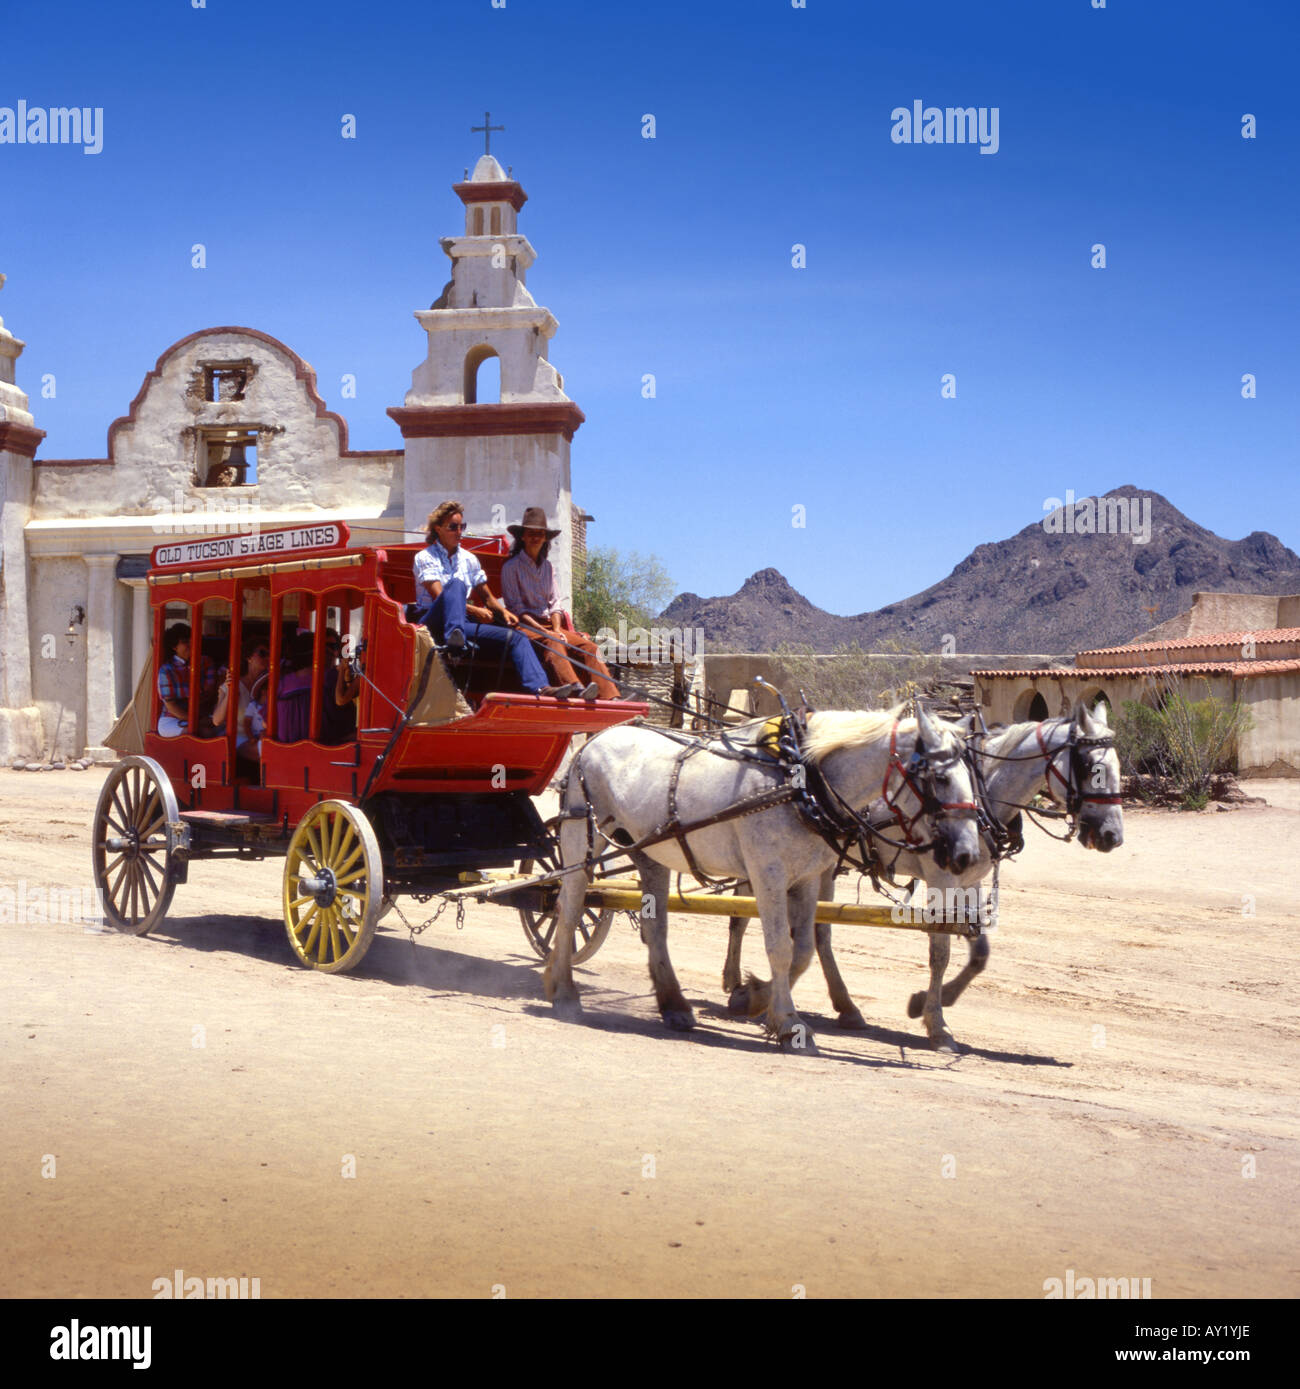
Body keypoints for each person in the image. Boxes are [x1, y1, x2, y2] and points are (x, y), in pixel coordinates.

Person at [412, 500, 580, 698]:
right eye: (453, 527)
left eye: (462, 526)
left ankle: (541, 688)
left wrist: (504, 612)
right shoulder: (425, 557)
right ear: (438, 529)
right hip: (433, 622)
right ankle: (454, 640)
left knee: (517, 638)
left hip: (461, 624)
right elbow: (441, 597)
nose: (459, 532)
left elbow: (488, 598)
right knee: (456, 585)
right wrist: (476, 611)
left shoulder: (468, 559)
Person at [500, 507, 619, 700]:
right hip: (524, 626)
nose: (535, 538)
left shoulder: (547, 567)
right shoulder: (510, 568)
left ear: (545, 538)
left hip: (550, 625)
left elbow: (555, 603)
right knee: (553, 642)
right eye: (531, 534)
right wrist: (546, 631)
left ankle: (610, 696)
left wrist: (557, 629)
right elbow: (516, 608)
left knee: (589, 647)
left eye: (539, 534)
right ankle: (575, 688)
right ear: (522, 537)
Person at [156, 623, 217, 737]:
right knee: (202, 733)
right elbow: (171, 706)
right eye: (185, 642)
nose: (191, 644)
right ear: (175, 647)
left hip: (203, 715)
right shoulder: (167, 670)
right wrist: (196, 721)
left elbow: (209, 692)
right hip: (172, 719)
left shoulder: (206, 662)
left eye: (192, 640)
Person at [212, 640, 270, 755]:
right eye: (263, 653)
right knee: (267, 751)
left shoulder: (270, 684)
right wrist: (230, 692)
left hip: (263, 736)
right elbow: (217, 720)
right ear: (248, 657)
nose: (267, 657)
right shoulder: (234, 684)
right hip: (239, 737)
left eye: (269, 654)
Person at [320, 627, 359, 744]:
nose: (328, 650)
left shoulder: (342, 674)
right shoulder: (312, 676)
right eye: (324, 645)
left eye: (332, 647)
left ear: (337, 651)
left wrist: (344, 672)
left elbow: (343, 700)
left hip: (342, 736)